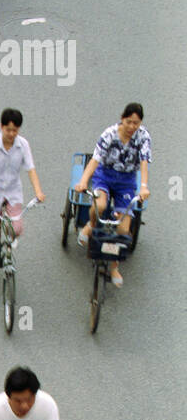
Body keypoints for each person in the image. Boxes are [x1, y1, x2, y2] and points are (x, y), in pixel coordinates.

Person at [74, 103, 151, 287]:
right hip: (105, 176)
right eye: (129, 122)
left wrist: (144, 187)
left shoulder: (143, 137)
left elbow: (144, 162)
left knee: (124, 229)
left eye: (136, 123)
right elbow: (95, 160)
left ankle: (114, 266)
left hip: (126, 182)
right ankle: (90, 227)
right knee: (100, 206)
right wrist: (84, 180)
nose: (132, 127)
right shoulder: (109, 134)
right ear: (122, 119)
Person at [0, 108, 45, 290]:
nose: (12, 134)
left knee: (17, 228)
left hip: (13, 193)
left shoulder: (23, 145)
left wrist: (38, 192)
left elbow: (31, 169)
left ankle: (7, 238)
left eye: (15, 130)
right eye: (8, 130)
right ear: (1, 127)